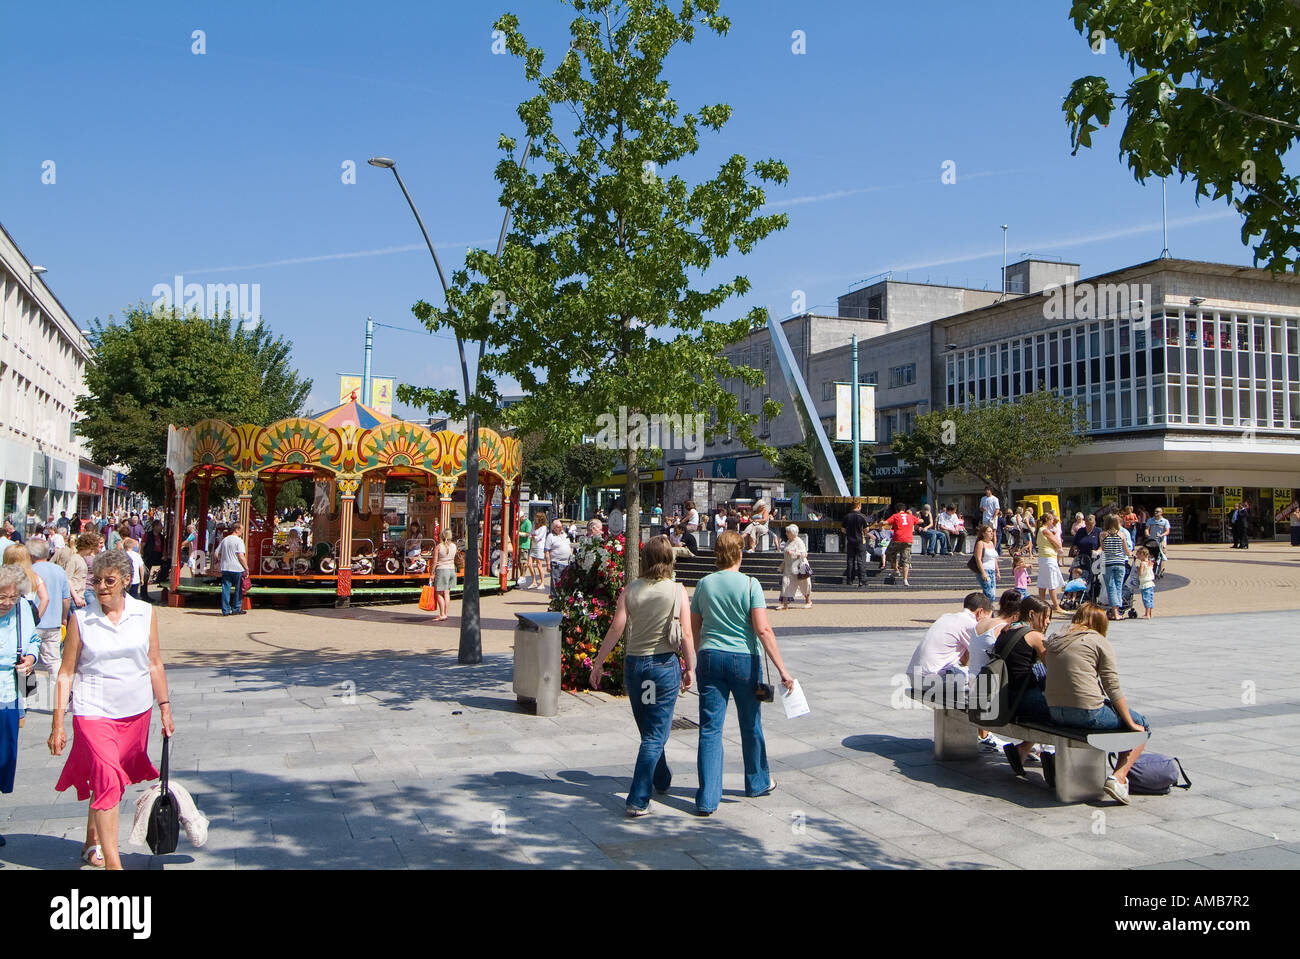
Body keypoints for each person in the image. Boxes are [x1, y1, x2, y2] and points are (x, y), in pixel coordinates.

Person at [49, 549, 175, 869]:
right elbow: (66, 672)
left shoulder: (145, 613)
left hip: (135, 711)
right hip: (93, 710)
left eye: (110, 581)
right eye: (97, 581)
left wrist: (165, 707)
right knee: (107, 776)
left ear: (126, 581)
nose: (102, 587)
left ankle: (92, 839)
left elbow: (154, 663)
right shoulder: (82, 619)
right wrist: (57, 724)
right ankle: (113, 864)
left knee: (110, 782)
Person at [588, 535, 696, 816]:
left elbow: (616, 628)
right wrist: (691, 667)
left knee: (649, 728)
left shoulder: (630, 590)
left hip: (637, 667)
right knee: (654, 732)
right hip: (663, 666)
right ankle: (637, 797)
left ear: (645, 560)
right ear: (669, 560)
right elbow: (685, 634)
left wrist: (598, 663)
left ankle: (661, 777)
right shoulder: (677, 590)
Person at [690, 531, 795, 816]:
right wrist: (782, 670)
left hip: (711, 657)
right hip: (744, 660)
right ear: (739, 553)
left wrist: (697, 658)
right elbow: (763, 630)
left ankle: (708, 797)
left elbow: (695, 628)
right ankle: (757, 781)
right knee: (751, 723)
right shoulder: (751, 585)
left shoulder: (703, 585)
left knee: (710, 728)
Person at [1044, 602, 1150, 805]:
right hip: (1087, 712)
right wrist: (1130, 722)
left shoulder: (1055, 639)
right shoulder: (1098, 641)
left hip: (1055, 711)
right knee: (1141, 725)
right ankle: (1118, 778)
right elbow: (1112, 686)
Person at [0, 564, 41, 836]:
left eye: (11, 597)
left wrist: (30, 658)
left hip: (11, 694)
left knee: (4, 759)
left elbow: (34, 640)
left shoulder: (24, 608)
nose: (6, 603)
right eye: (1, 597)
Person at [995, 596, 1055, 779]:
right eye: (1045, 617)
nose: (1048, 622)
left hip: (1005, 696)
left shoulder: (1005, 630)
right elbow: (1053, 668)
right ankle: (1054, 762)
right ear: (1032, 614)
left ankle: (1022, 750)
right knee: (1064, 711)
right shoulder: (1034, 636)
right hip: (1023, 698)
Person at [906, 591, 993, 689]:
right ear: (980, 612)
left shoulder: (946, 617)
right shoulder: (971, 624)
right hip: (929, 679)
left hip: (912, 675)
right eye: (988, 619)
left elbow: (965, 658)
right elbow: (980, 656)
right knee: (979, 678)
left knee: (962, 671)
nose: (987, 623)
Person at [28, 538, 72, 696]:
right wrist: (64, 618)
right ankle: (62, 696)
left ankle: (24, 698)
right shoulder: (59, 570)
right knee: (54, 662)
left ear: (30, 554)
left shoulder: (30, 571)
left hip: (33, 623)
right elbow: (66, 599)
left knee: (27, 661)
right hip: (53, 622)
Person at [3, 542, 50, 624]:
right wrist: (34, 619)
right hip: (25, 618)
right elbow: (45, 599)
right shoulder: (34, 577)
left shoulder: (3, 577)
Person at [1100, 515, 1132, 620]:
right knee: (1118, 587)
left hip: (1108, 563)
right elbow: (1126, 551)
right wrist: (1131, 554)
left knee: (1110, 587)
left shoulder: (1103, 535)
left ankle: (1114, 612)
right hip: (1120, 563)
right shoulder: (1121, 535)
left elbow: (1103, 549)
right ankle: (1117, 610)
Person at [777, 524, 813, 610]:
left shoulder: (799, 541)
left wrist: (794, 553)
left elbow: (805, 554)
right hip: (788, 567)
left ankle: (808, 601)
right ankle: (784, 603)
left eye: (788, 532)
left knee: (804, 584)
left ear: (793, 533)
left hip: (799, 567)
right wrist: (782, 565)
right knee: (785, 583)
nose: (786, 533)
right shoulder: (788, 541)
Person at [216, 522, 248, 616]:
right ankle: (236, 608)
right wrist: (246, 567)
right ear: (237, 529)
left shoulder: (225, 540)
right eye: (241, 530)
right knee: (238, 589)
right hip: (237, 568)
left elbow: (216, 553)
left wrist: (219, 561)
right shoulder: (239, 541)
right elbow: (241, 556)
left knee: (225, 589)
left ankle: (225, 610)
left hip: (225, 567)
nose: (242, 532)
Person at [1036, 512, 1065, 610]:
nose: (1053, 521)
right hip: (1049, 558)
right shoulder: (1046, 531)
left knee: (1042, 583)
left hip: (1043, 558)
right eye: (1052, 520)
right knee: (1052, 583)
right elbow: (1058, 543)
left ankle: (1041, 604)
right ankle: (1056, 606)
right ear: (1048, 520)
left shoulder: (1040, 530)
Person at [883, 502, 917, 586]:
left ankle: (896, 570)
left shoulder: (895, 516)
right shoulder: (910, 516)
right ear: (904, 509)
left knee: (890, 553)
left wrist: (880, 523)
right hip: (908, 540)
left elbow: (885, 522)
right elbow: (920, 520)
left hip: (897, 539)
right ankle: (905, 580)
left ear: (896, 510)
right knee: (906, 560)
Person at [430, 529, 457, 622]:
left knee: (438, 593)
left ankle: (442, 614)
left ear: (442, 536)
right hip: (452, 570)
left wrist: (432, 573)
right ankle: (446, 613)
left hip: (442, 570)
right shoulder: (454, 546)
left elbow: (435, 562)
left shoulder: (439, 547)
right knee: (447, 593)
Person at [842, 501, 868, 585]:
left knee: (850, 561)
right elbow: (866, 529)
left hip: (850, 541)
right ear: (859, 506)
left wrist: (849, 533)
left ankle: (850, 580)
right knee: (861, 561)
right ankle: (862, 580)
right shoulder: (862, 516)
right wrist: (863, 533)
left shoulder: (847, 517)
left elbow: (843, 529)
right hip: (860, 541)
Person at [972, 523, 999, 602]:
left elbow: (994, 558)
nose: (991, 533)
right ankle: (989, 611)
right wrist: (983, 572)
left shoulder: (991, 543)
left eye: (992, 532)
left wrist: (997, 571)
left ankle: (986, 611)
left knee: (992, 593)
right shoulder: (980, 543)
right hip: (985, 570)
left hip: (992, 571)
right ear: (983, 534)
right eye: (989, 531)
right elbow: (978, 558)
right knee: (990, 594)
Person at [545, 519, 572, 594]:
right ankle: (555, 598)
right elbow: (547, 551)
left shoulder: (564, 534)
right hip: (556, 563)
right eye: (558, 527)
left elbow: (570, 546)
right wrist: (548, 565)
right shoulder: (550, 536)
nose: (560, 528)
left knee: (565, 582)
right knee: (556, 582)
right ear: (554, 528)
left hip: (566, 563)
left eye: (561, 526)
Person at [75, 533, 101, 609]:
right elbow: (69, 578)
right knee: (94, 609)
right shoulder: (81, 558)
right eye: (99, 543)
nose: (100, 546)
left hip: (93, 589)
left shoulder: (97, 556)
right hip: (86, 589)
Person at [527, 512, 548, 590]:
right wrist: (533, 537)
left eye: (537, 517)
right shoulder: (534, 525)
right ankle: (534, 581)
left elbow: (538, 538)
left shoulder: (543, 527)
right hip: (533, 546)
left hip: (539, 547)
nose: (535, 518)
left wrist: (533, 537)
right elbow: (530, 535)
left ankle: (542, 583)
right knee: (529, 564)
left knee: (539, 565)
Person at [1134, 547, 1156, 618]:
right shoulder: (1150, 562)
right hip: (1151, 583)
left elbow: (1140, 573)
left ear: (1142, 555)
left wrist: (1137, 569)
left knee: (1146, 599)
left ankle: (1147, 614)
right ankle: (1150, 613)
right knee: (1150, 598)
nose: (1137, 556)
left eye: (1138, 555)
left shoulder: (1142, 563)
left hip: (1145, 584)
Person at [516, 513, 533, 586]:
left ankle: (523, 576)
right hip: (519, 544)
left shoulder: (528, 523)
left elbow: (528, 534)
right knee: (519, 561)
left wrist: (518, 533)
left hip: (525, 545)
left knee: (523, 561)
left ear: (522, 517)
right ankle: (521, 575)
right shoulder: (521, 522)